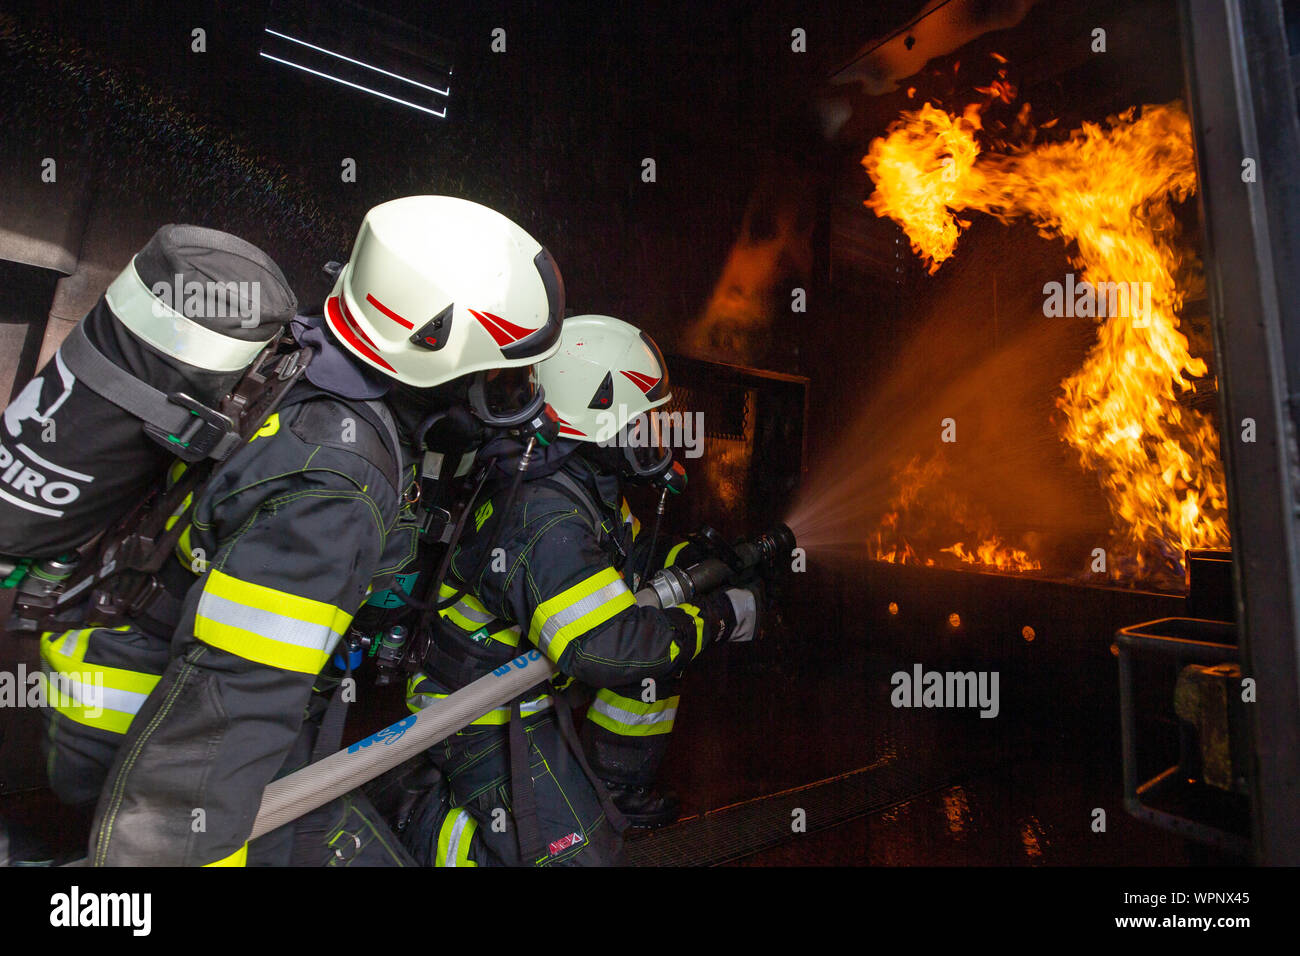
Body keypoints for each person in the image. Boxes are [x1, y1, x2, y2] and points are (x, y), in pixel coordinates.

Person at [43, 195, 565, 866]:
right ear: (432, 344)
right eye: (499, 375)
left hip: (136, 695)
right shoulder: (339, 483)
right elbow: (232, 697)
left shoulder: (303, 362)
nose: (507, 397)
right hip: (154, 744)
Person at [384, 313, 758, 866]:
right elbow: (607, 647)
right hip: (477, 710)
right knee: (576, 858)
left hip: (532, 686)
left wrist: (696, 563)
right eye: (640, 422)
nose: (651, 438)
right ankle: (413, 822)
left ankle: (613, 786)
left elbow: (625, 560)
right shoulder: (546, 516)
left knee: (660, 654)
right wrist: (717, 618)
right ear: (597, 417)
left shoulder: (585, 482)